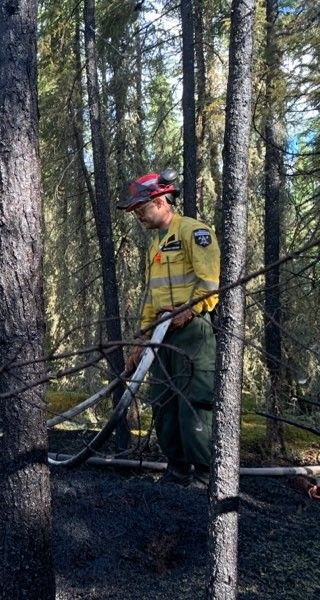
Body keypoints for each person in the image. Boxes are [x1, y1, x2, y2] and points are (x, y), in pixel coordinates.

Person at [117, 170, 221, 486]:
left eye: (141, 208)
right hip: (162, 334)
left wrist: (189, 310)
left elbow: (210, 283)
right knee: (163, 401)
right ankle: (177, 471)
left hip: (192, 333)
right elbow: (153, 297)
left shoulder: (194, 232)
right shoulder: (156, 245)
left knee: (193, 401)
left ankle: (203, 477)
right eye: (134, 210)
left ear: (161, 201)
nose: (138, 215)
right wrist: (142, 338)